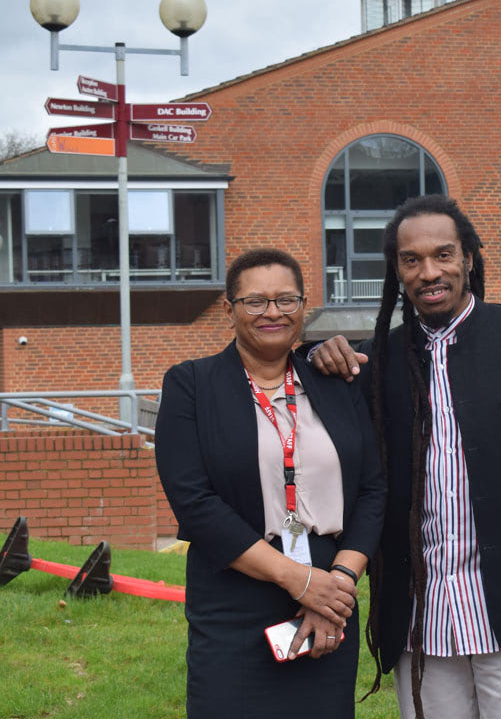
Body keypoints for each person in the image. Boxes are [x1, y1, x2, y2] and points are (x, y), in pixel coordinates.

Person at [309, 195, 501, 719]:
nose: (429, 272)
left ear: (469, 258)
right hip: (419, 620)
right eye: (410, 260)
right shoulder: (375, 364)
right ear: (396, 270)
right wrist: (315, 356)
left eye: (443, 254)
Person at [154, 248, 385, 719]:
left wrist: (336, 585)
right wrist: (299, 582)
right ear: (229, 309)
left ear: (303, 305)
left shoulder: (336, 383)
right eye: (255, 301)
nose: (273, 312)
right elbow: (194, 503)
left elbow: (372, 490)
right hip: (237, 587)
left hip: (332, 582)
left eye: (286, 300)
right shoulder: (191, 386)